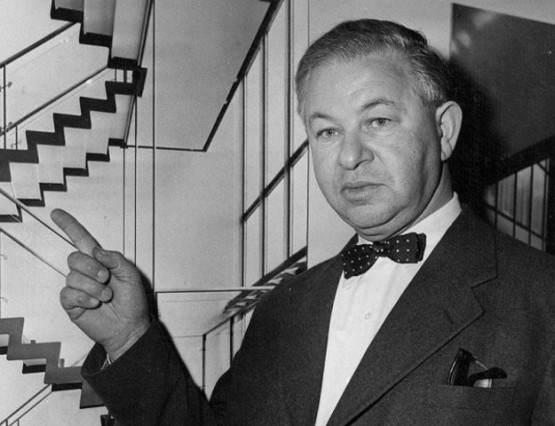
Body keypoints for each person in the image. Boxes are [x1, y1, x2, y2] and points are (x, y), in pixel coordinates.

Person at [51, 19, 555, 425]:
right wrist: (130, 339)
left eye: (378, 121)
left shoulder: (542, 297)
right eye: (327, 132)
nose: (350, 156)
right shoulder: (283, 308)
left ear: (444, 131)